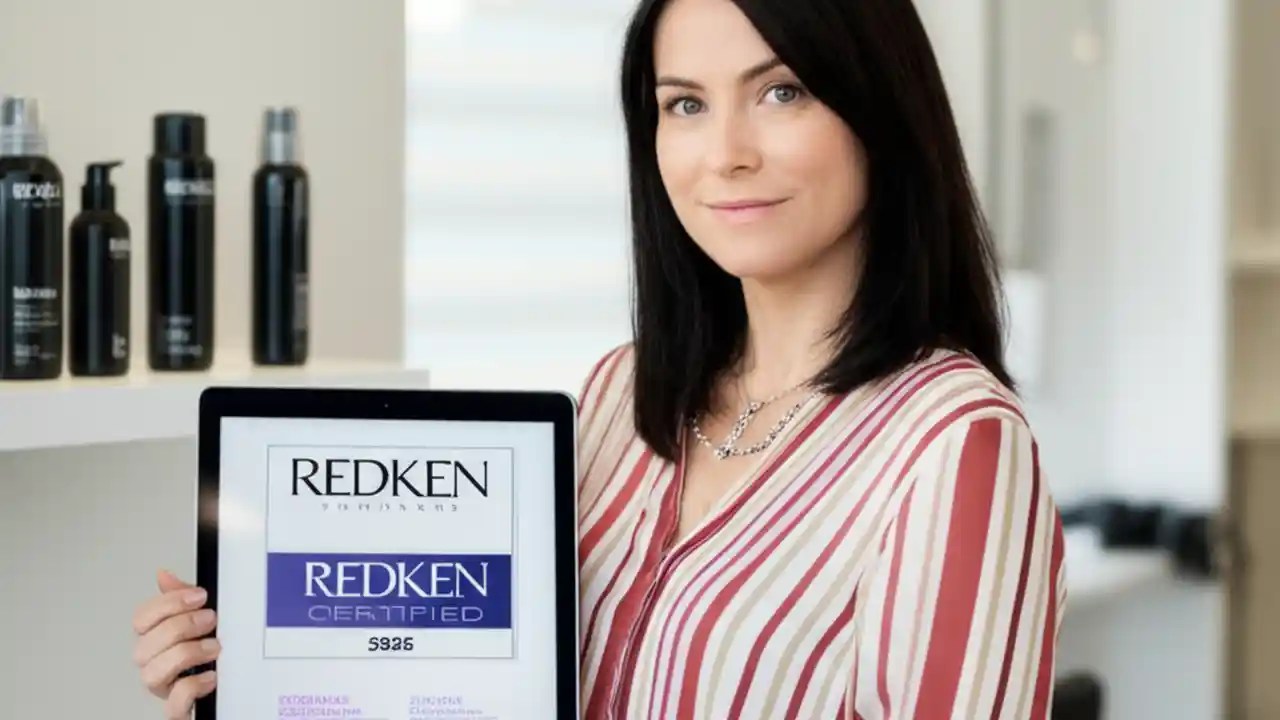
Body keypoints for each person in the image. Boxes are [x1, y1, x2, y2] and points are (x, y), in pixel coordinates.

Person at [129, 0, 1066, 717]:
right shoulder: (618, 395)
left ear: (882, 111)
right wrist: (248, 675)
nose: (725, 153)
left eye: (782, 92)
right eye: (685, 105)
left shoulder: (958, 448)